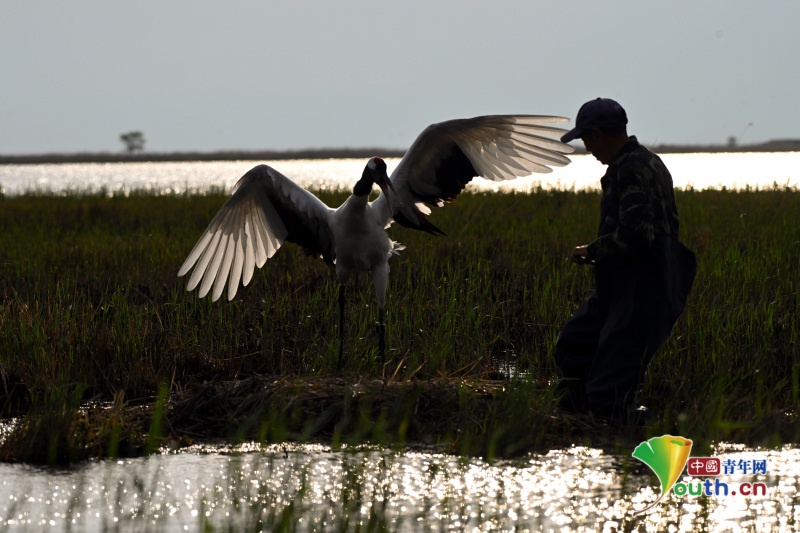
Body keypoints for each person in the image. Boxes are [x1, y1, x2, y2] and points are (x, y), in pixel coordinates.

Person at [554, 98, 697, 425]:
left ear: (599, 133)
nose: (587, 148)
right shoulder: (645, 160)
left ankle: (630, 450)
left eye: (586, 139)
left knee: (609, 391)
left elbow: (637, 235)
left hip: (645, 287)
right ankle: (573, 422)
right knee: (574, 345)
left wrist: (592, 251)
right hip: (623, 286)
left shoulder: (631, 169)